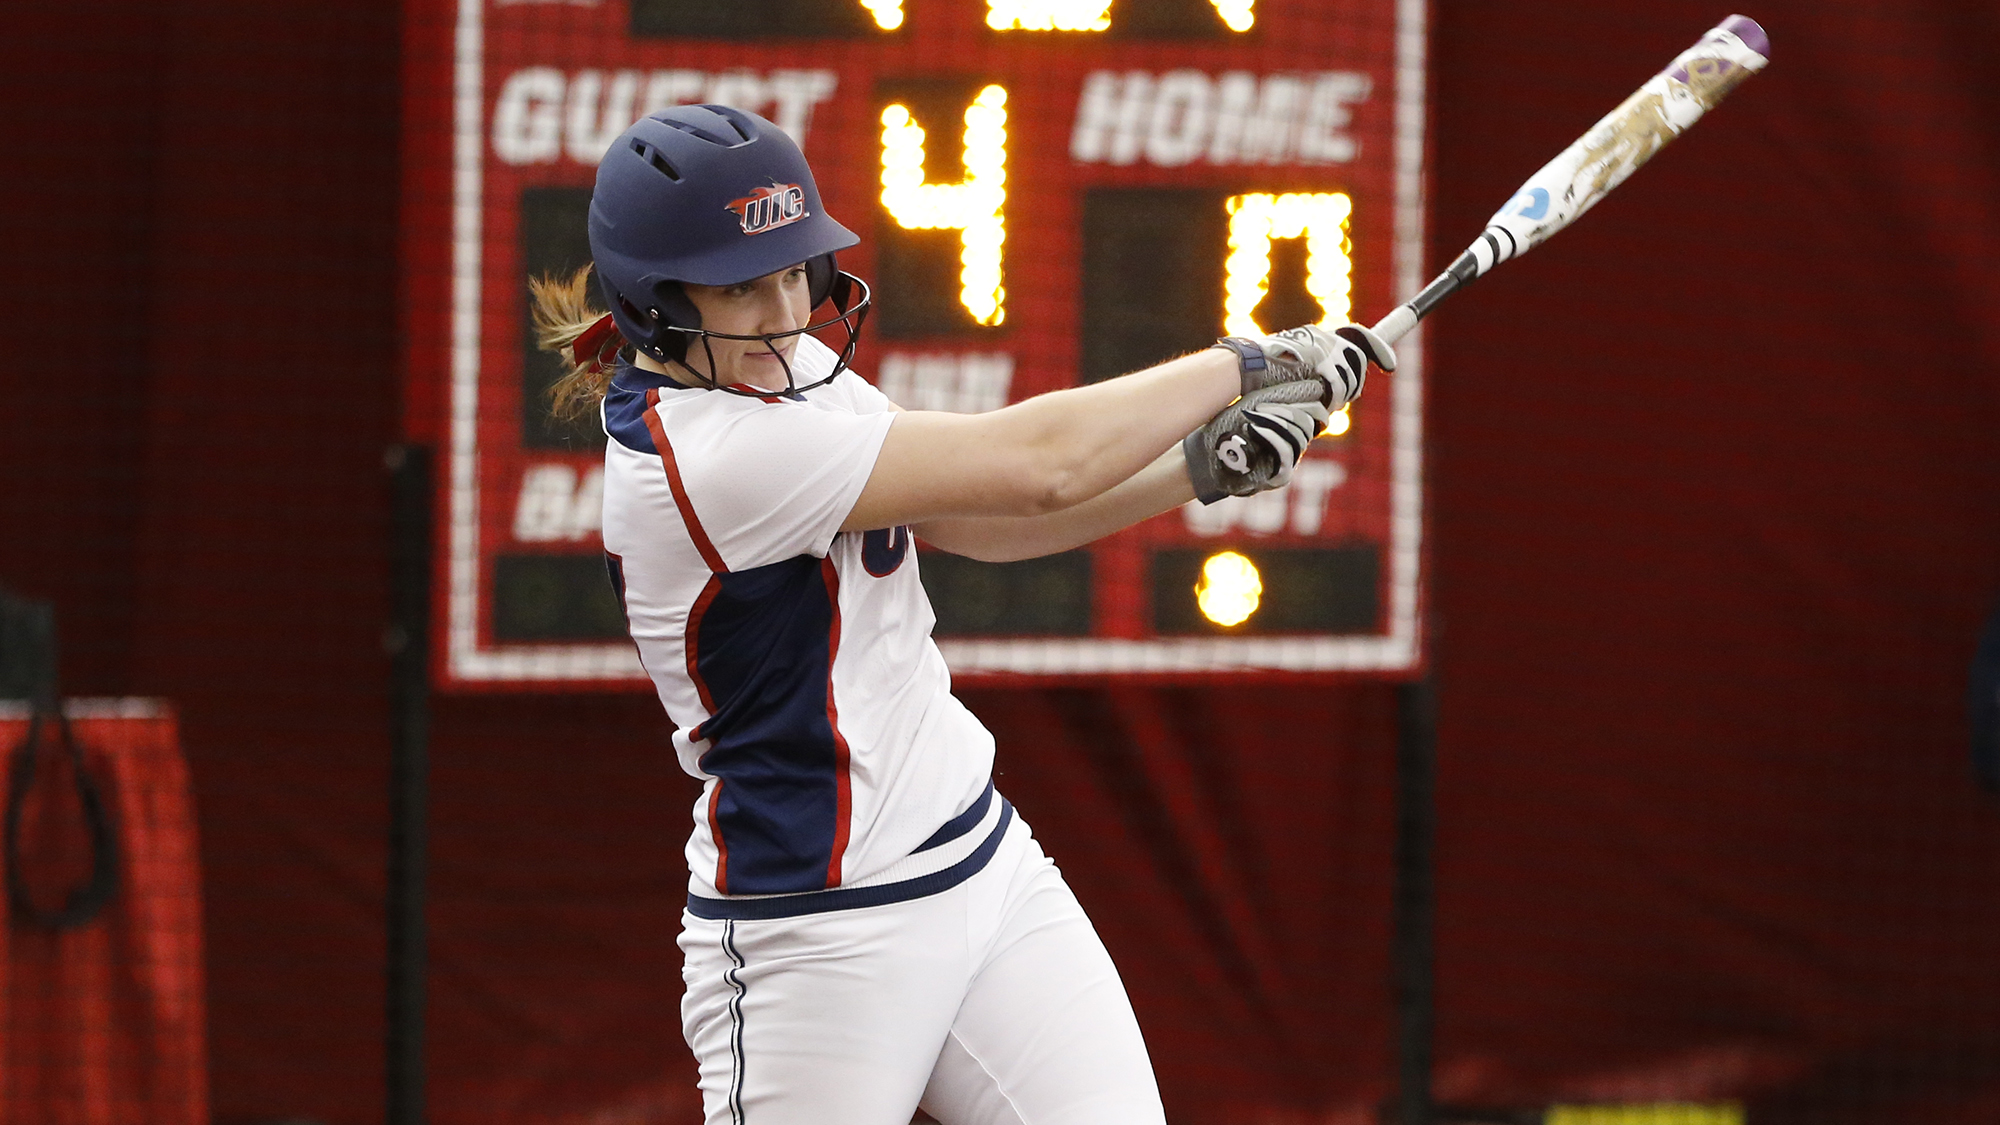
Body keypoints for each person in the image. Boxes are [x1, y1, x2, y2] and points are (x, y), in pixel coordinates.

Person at [528, 103, 1395, 1125]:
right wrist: (1245, 363)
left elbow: (987, 522)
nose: (782, 312)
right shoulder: (705, 459)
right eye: (736, 288)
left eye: (791, 272)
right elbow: (1033, 466)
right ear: (651, 303)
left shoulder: (785, 369)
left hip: (982, 867)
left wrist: (1196, 470)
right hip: (814, 931)